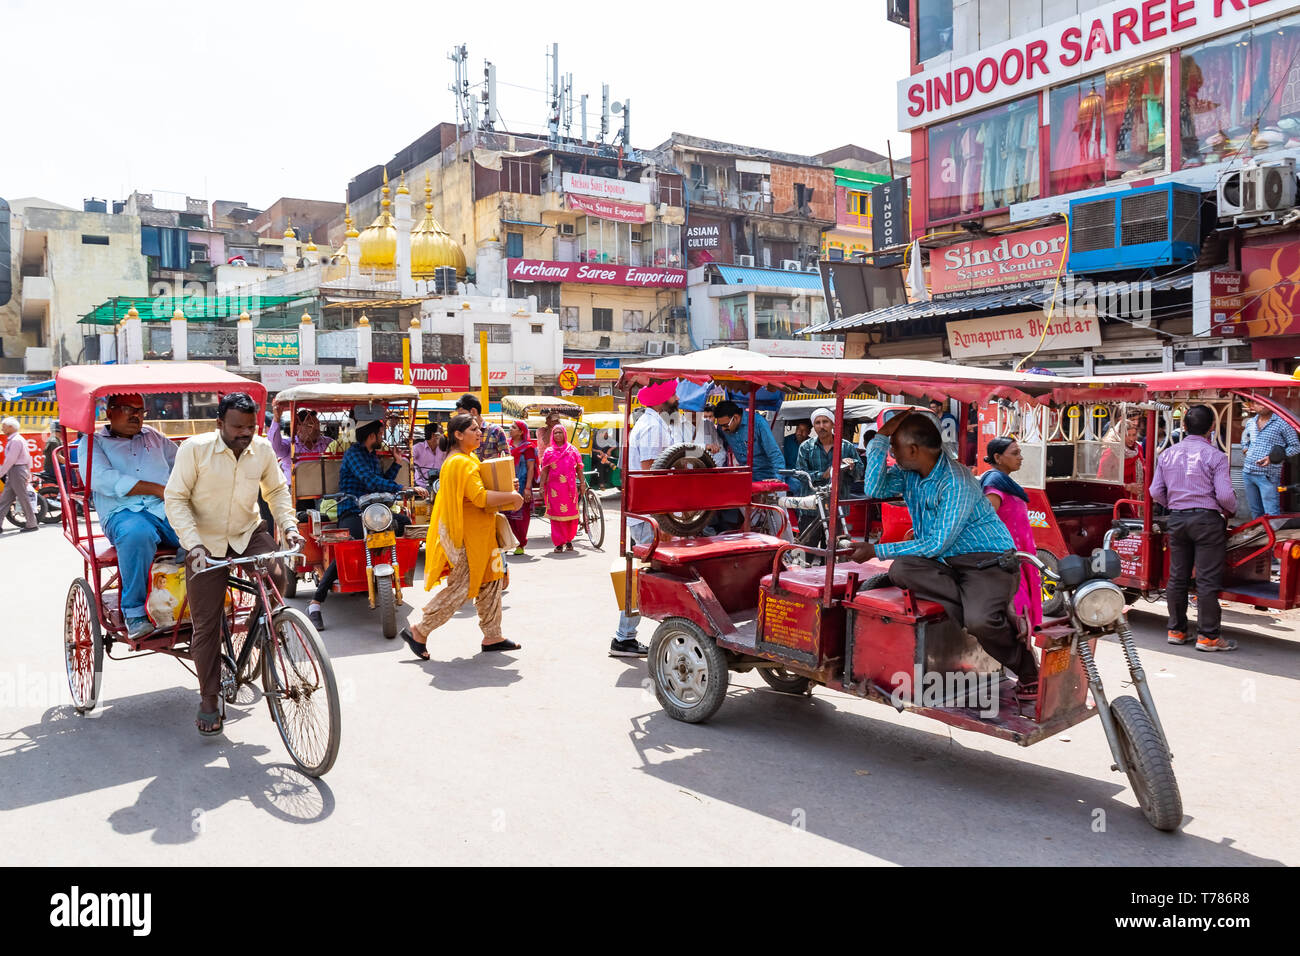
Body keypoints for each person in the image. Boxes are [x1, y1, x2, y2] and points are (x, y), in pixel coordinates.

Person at [850, 411, 1039, 700]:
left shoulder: (956, 482)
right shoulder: (910, 474)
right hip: (947, 563)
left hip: (987, 563)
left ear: (913, 450)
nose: (892, 455)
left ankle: (1029, 672)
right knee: (900, 570)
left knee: (980, 622)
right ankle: (991, 609)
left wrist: (876, 550)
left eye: (894, 449)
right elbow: (873, 487)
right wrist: (880, 438)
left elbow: (935, 543)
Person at [164, 392, 304, 736]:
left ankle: (263, 631)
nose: (245, 433)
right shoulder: (195, 450)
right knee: (206, 624)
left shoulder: (263, 449)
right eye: (237, 426)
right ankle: (209, 699)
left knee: (277, 575)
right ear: (219, 424)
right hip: (203, 541)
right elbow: (175, 498)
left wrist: (288, 525)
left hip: (246, 529)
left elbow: (276, 492)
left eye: (251, 426)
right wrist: (193, 544)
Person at [398, 413, 524, 659]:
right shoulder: (460, 463)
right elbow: (480, 498)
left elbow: (482, 492)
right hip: (468, 538)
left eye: (479, 429)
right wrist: (512, 497)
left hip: (482, 534)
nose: (479, 433)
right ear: (458, 434)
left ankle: (492, 635)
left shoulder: (468, 458)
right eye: (474, 430)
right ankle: (419, 630)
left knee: (491, 582)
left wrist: (507, 489)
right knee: (462, 588)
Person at [307, 419, 425, 629]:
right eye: (381, 433)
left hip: (376, 511)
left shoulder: (371, 456)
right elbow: (370, 481)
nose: (382, 437)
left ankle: (396, 569)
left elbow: (380, 481)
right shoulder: (354, 454)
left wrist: (397, 463)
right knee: (352, 543)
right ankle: (316, 602)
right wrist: (405, 486)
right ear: (371, 435)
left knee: (405, 523)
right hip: (352, 509)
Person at [77, 397, 179, 636]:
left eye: (140, 411)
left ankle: (195, 598)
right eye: (128, 410)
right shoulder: (93, 443)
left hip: (163, 508)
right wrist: (154, 488)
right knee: (137, 534)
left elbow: (181, 462)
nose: (136, 416)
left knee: (202, 530)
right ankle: (134, 612)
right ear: (109, 413)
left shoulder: (153, 436)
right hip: (122, 513)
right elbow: (101, 479)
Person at [1150, 403, 1240, 652]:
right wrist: (1229, 510)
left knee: (1177, 577)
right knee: (1206, 580)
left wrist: (1174, 504)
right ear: (1212, 427)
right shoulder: (1216, 456)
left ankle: (1176, 631)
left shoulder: (1166, 454)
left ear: (1184, 426)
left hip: (1177, 519)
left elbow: (1155, 491)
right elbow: (1225, 496)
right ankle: (1208, 637)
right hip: (1207, 521)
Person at [612, 380, 682, 658]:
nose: (677, 398)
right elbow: (650, 474)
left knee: (646, 575)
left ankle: (625, 636)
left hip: (648, 515)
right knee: (646, 576)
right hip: (649, 516)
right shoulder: (652, 426)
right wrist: (662, 521)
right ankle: (624, 637)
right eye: (673, 393)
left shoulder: (655, 422)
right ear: (662, 398)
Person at [980, 438, 1042, 632]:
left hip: (1020, 558)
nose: (1020, 458)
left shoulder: (1004, 482)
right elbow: (984, 525)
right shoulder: (993, 485)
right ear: (998, 457)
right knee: (1017, 612)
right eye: (1015, 453)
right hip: (1006, 561)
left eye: (1019, 452)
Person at [1241, 398, 1300, 519]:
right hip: (1248, 473)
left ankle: (1273, 537)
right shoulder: (1251, 422)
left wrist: (1273, 458)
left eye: (1262, 403)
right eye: (1256, 403)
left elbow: (1295, 446)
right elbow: (1245, 439)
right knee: (1256, 512)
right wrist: (1245, 449)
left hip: (1268, 476)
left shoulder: (1282, 423)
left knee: (1271, 512)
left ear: (1270, 404)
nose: (1260, 406)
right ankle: (1260, 537)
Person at [712, 400, 785, 482]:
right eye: (720, 425)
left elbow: (774, 453)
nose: (723, 429)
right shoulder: (723, 428)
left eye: (725, 425)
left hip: (767, 478)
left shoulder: (758, 423)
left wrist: (779, 479)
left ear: (735, 418)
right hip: (745, 478)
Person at [797, 407, 865, 494]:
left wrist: (851, 464)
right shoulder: (805, 447)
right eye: (817, 423)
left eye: (825, 422)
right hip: (813, 501)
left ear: (833, 424)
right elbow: (801, 474)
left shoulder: (846, 446)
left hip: (840, 500)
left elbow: (859, 473)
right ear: (814, 426)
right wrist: (823, 475)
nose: (821, 426)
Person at [540, 423, 586, 553]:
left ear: (564, 434)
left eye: (560, 432)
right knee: (556, 517)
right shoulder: (549, 452)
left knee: (571, 516)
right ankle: (559, 543)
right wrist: (541, 486)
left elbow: (579, 468)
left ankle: (569, 540)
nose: (558, 435)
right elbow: (544, 471)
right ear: (552, 435)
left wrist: (582, 483)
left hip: (569, 489)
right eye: (555, 433)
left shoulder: (572, 450)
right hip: (554, 489)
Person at [268, 406, 331, 485]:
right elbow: (275, 449)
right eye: (310, 425)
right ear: (298, 427)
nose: (316, 428)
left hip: (322, 490)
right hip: (294, 491)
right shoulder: (290, 444)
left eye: (318, 424)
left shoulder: (327, 443)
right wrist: (276, 419)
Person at [0, 417, 38, 534]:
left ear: (11, 427)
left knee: (22, 498)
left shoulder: (16, 440)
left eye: (4, 426)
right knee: (5, 499)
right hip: (15, 471)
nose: (2, 428)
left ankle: (31, 524)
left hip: (16, 470)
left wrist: (1, 472)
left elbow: (11, 459)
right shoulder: (16, 439)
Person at [506, 419, 538, 553]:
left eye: (513, 427)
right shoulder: (506, 446)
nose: (510, 429)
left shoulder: (529, 448)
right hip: (507, 484)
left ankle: (521, 543)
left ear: (520, 432)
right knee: (506, 514)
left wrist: (527, 488)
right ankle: (508, 542)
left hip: (523, 484)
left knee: (521, 516)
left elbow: (531, 468)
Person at [1098, 415, 1145, 497]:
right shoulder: (1111, 451)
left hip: (1136, 498)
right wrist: (1128, 487)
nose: (1131, 439)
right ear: (1119, 435)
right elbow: (1102, 479)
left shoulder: (1138, 448)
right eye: (1127, 435)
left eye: (1133, 435)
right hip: (1116, 497)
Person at [456, 393, 509, 461]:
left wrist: (493, 461)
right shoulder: (462, 433)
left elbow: (506, 458)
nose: (460, 419)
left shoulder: (496, 430)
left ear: (473, 411)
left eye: (462, 415)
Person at [412, 421, 447, 491]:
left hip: (441, 485)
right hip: (422, 486)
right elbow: (406, 460)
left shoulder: (444, 448)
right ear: (434, 435)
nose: (443, 435)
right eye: (441, 433)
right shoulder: (418, 448)